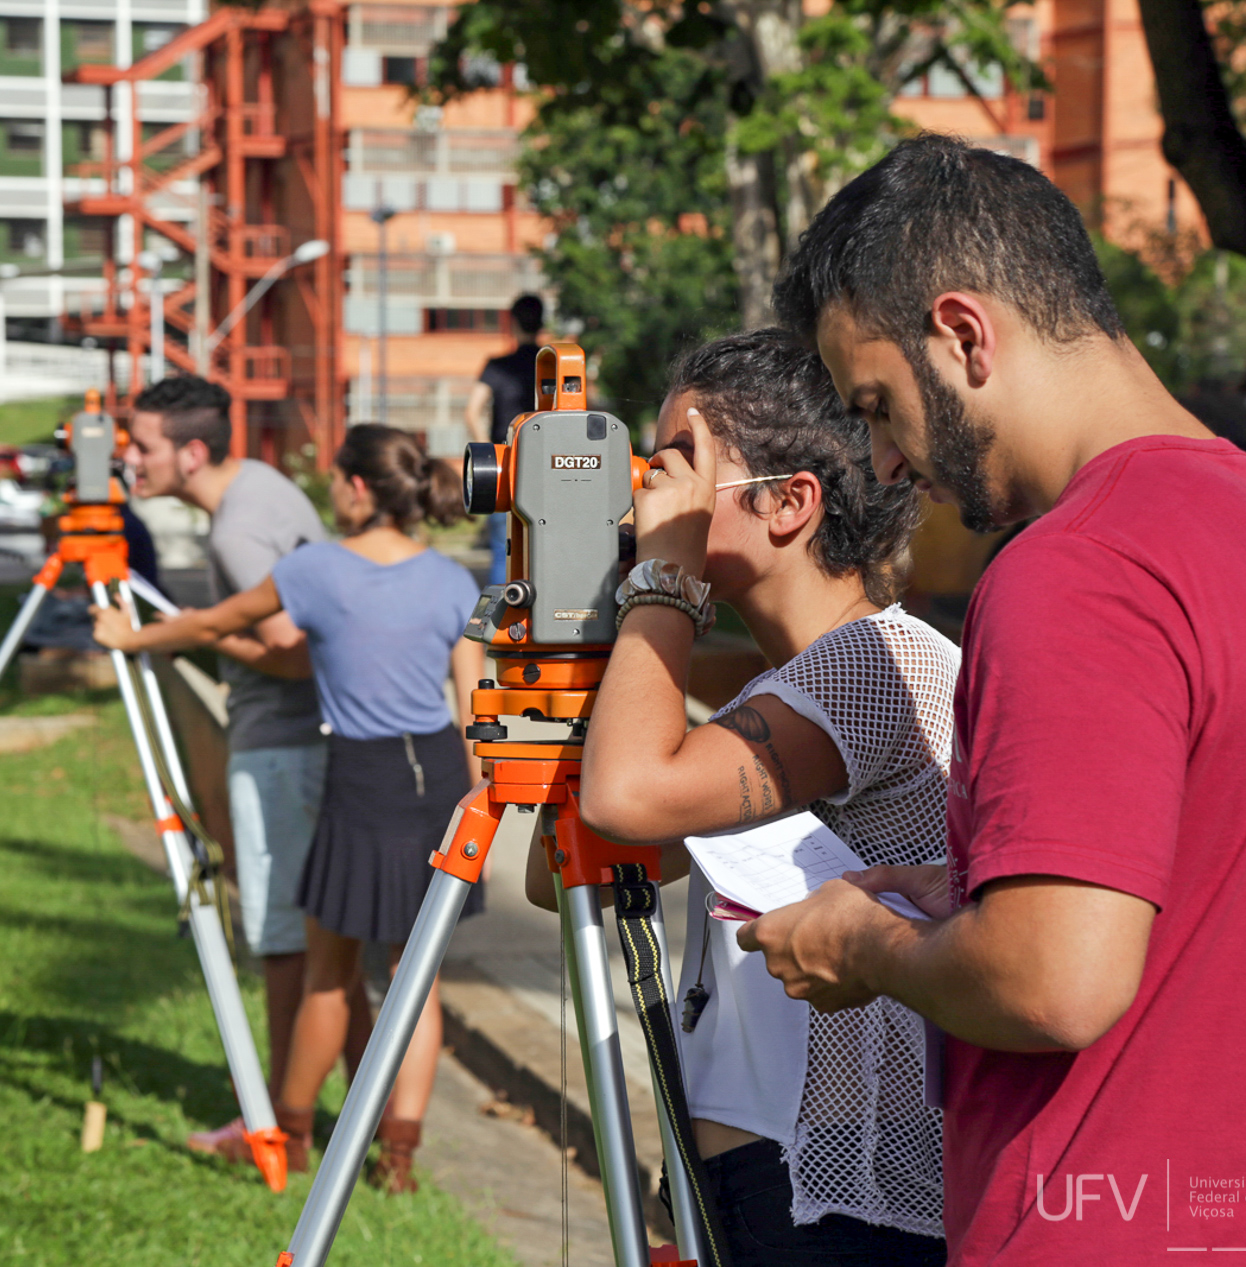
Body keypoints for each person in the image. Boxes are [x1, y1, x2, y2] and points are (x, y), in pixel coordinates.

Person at [742, 134, 1246, 1261]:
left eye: (875, 403)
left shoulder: (1079, 567)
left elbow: (1056, 981)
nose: (883, 460)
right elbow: (1239, 903)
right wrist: (974, 897)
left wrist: (864, 944)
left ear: (960, 334)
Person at [559, 330, 952, 1263]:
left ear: (789, 503)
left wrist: (664, 578)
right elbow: (581, 868)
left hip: (840, 1208)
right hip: (758, 1183)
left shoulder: (881, 666)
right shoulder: (788, 693)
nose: (651, 496)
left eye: (679, 467)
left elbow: (625, 796)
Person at [93, 423, 486, 1193]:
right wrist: (482, 800)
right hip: (439, 775)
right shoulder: (451, 580)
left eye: (335, 480)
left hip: (362, 774)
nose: (328, 494)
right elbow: (475, 707)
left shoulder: (314, 570)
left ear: (357, 488)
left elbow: (214, 625)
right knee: (417, 978)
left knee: (330, 974)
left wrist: (134, 637)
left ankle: (291, 1134)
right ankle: (398, 1160)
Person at [112, 374, 340, 1168]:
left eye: (142, 447)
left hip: (278, 745)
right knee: (324, 947)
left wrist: (190, 633)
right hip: (312, 742)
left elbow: (292, 650)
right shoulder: (266, 487)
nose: (129, 461)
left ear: (192, 451)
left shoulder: (232, 533)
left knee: (280, 941)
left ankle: (276, 1122)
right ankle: (317, 1113)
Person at [464, 293, 544, 584]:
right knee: (547, 548)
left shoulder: (497, 366)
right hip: (547, 468)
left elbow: (472, 412)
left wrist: (492, 457)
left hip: (507, 466)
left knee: (503, 549)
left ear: (512, 322)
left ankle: (502, 621)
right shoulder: (551, 365)